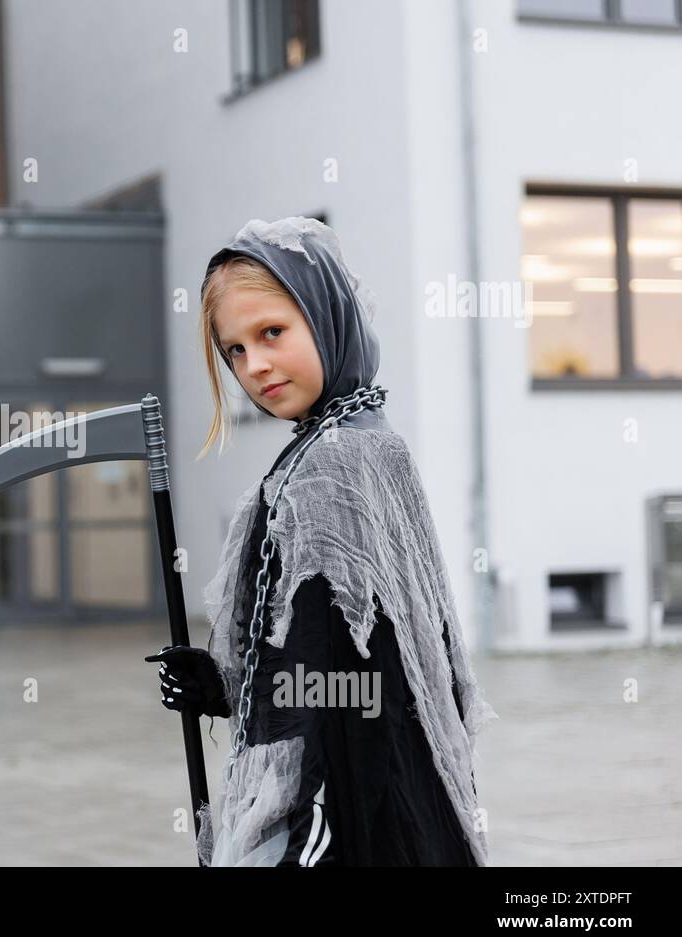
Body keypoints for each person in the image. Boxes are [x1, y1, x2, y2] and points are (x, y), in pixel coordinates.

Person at [145, 217, 497, 867]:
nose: (255, 366)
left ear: (325, 316)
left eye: (272, 333)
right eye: (235, 351)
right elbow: (333, 659)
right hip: (379, 810)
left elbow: (348, 689)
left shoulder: (336, 461)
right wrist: (223, 686)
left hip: (340, 820)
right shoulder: (360, 440)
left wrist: (302, 846)